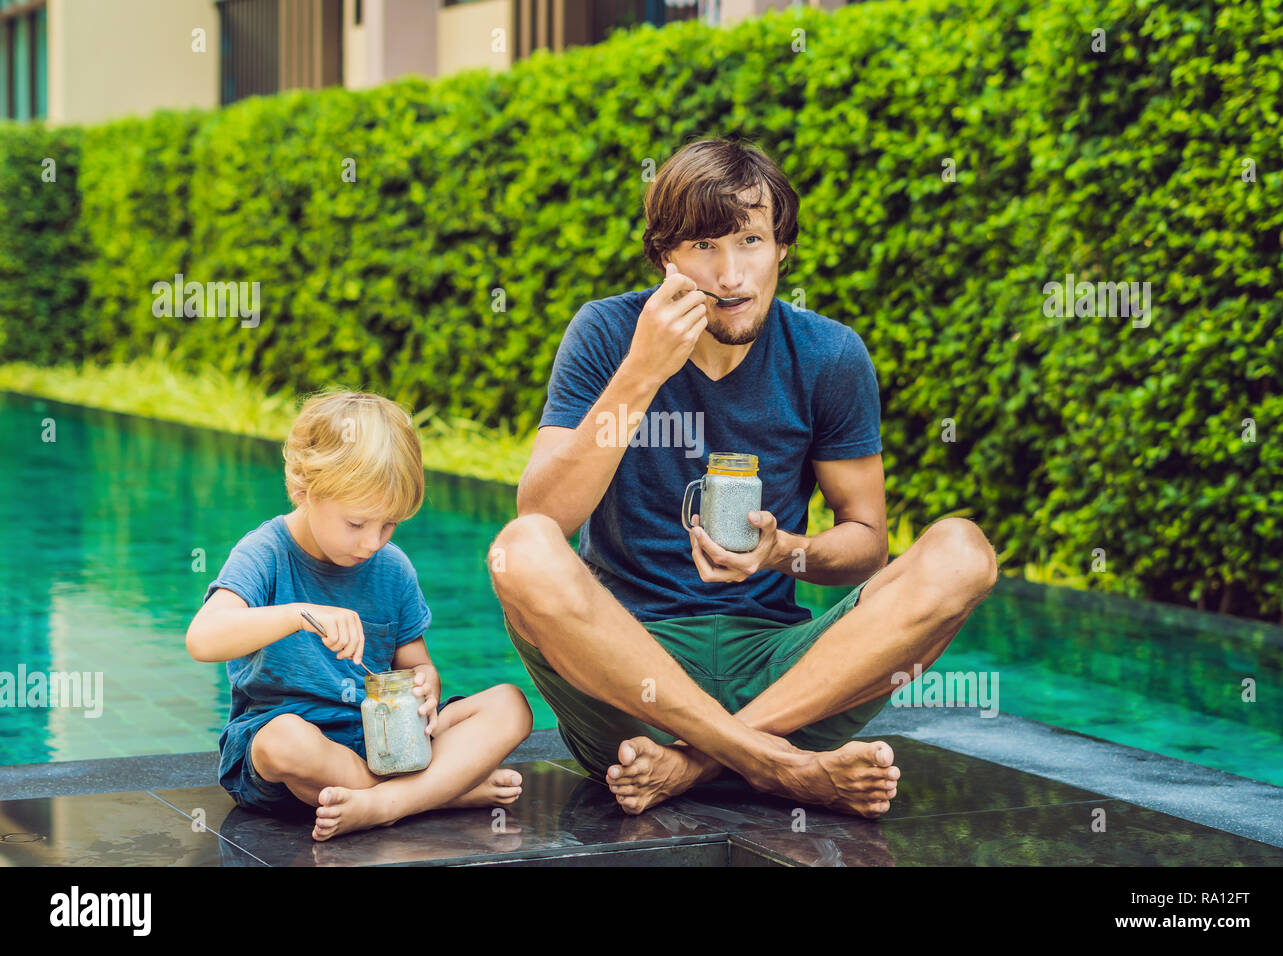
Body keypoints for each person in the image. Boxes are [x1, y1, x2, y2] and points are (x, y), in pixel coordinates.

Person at [488, 138, 998, 817]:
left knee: (963, 552)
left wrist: (784, 551)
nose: (730, 274)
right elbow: (543, 518)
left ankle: (702, 760)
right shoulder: (609, 333)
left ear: (781, 247)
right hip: (629, 677)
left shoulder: (829, 354)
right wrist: (642, 372)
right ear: (666, 256)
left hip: (785, 676)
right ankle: (779, 767)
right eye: (703, 246)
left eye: (750, 240)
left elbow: (867, 544)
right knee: (518, 550)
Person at [188, 390, 533, 840]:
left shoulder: (392, 567)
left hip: (384, 743)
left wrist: (426, 682)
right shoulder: (266, 553)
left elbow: (416, 665)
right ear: (304, 490)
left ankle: (386, 802)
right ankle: (440, 794)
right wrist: (298, 614)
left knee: (511, 706)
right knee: (285, 740)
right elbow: (203, 638)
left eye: (389, 524)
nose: (373, 542)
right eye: (357, 524)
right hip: (296, 760)